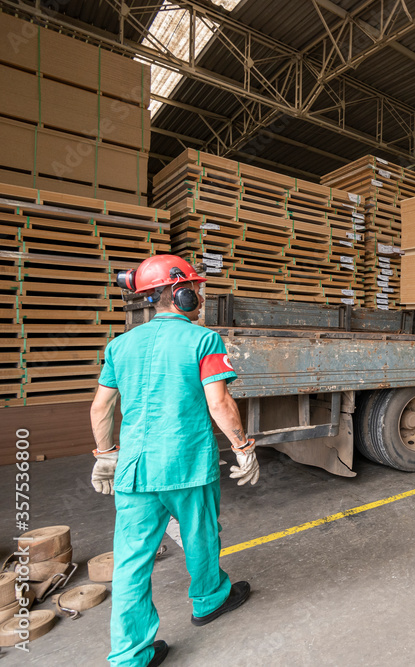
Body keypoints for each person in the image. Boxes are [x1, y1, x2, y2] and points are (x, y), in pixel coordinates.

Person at [90, 255, 260, 667]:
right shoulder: (203, 340)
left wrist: (106, 457)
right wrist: (243, 448)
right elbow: (219, 403)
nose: (199, 297)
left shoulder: (120, 345)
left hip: (133, 470)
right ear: (179, 293)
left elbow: (101, 409)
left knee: (131, 561)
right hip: (185, 464)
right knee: (200, 534)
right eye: (195, 290)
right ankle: (208, 600)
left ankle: (130, 655)